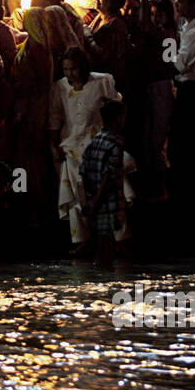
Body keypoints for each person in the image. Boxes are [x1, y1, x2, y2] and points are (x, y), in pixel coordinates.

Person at [51, 46, 119, 253]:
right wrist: (53, 145)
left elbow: (116, 109)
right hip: (71, 146)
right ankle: (83, 239)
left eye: (74, 69)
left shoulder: (102, 82)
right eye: (66, 69)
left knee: (108, 193)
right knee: (76, 196)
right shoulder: (60, 88)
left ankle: (115, 238)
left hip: (98, 144)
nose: (70, 74)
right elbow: (55, 118)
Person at [78, 98, 127, 262]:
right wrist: (97, 199)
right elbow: (109, 175)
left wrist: (90, 200)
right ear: (118, 118)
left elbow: (83, 172)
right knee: (109, 248)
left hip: (95, 202)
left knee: (101, 244)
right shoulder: (116, 143)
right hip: (109, 202)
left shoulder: (94, 142)